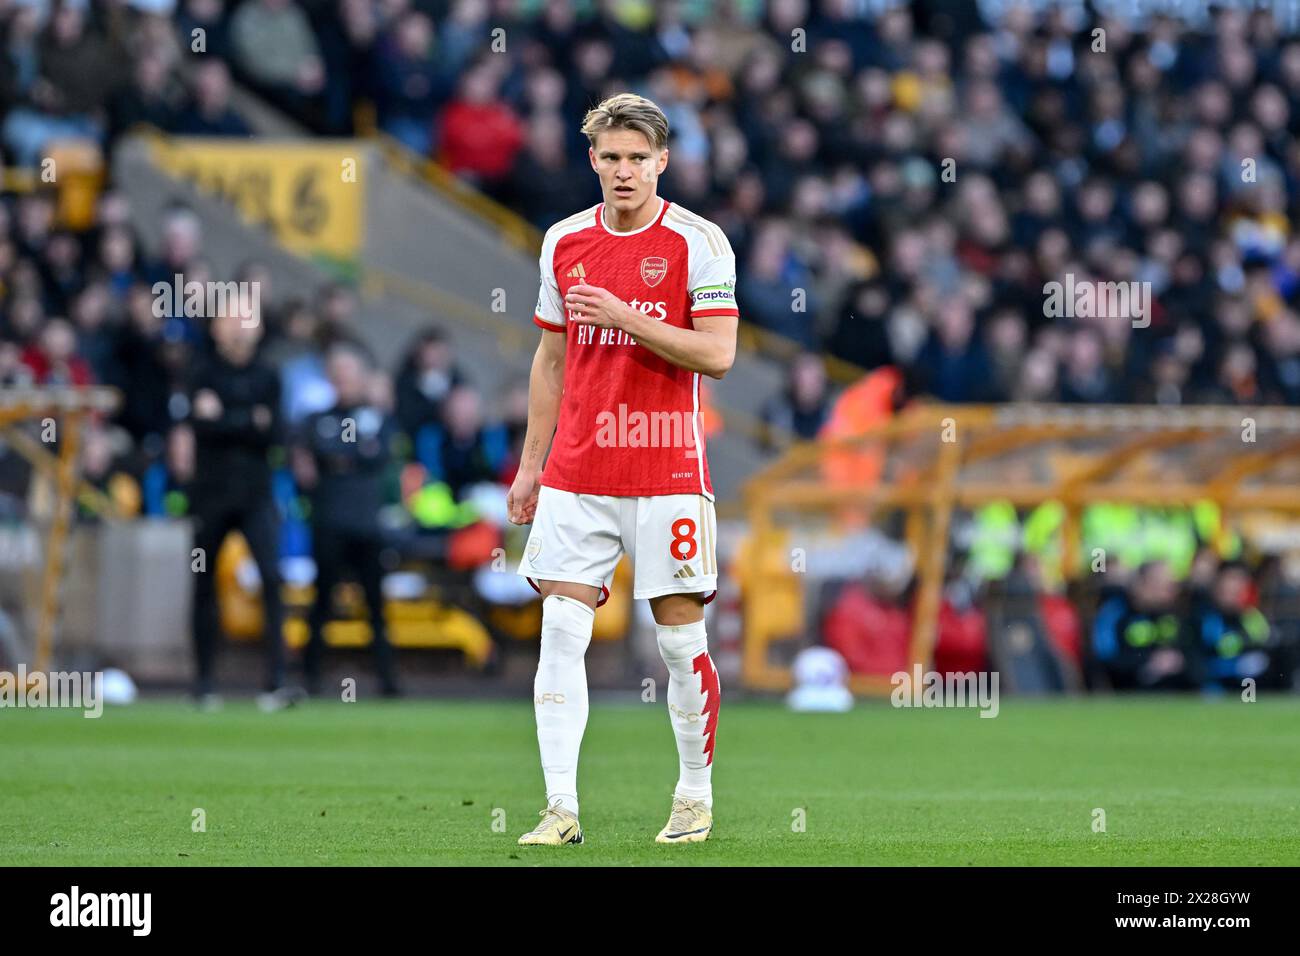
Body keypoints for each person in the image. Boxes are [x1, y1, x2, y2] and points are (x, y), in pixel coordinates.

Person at [508, 93, 738, 846]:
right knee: (561, 632)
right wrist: (529, 466)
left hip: (666, 466)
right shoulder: (563, 242)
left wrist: (627, 316)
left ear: (662, 161)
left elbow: (718, 354)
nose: (624, 171)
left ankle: (694, 798)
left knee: (677, 640)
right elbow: (549, 361)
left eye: (638, 158)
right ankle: (560, 808)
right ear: (592, 161)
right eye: (610, 157)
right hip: (578, 469)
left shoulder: (698, 242)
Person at [188, 307, 295, 711]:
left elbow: (274, 434)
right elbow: (201, 425)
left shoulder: (269, 375)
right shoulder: (201, 371)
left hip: (255, 496)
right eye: (230, 320)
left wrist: (225, 419)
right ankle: (203, 682)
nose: (238, 329)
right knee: (202, 582)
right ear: (216, 329)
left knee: (271, 578)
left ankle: (276, 681)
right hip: (210, 495)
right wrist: (248, 421)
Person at [292, 343, 400, 697]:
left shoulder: (377, 418)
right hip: (329, 524)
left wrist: (339, 458)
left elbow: (375, 454)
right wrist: (350, 454)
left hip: (367, 524)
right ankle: (310, 678)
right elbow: (321, 454)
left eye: (349, 373)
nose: (343, 381)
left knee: (375, 607)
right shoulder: (316, 420)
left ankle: (388, 680)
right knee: (322, 602)